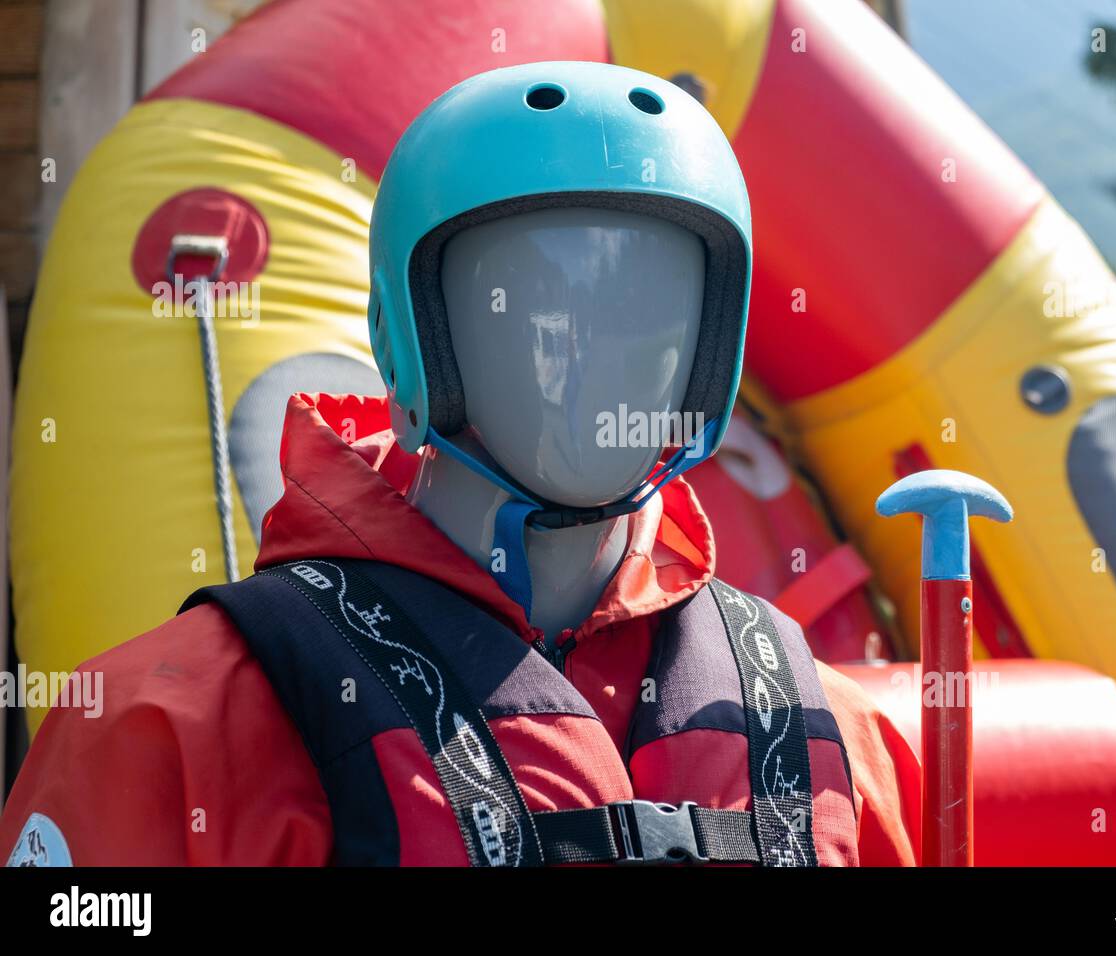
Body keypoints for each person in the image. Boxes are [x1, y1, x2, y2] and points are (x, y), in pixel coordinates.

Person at [1, 62, 918, 867]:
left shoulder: (827, 732)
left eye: (646, 303)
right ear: (409, 342)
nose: (587, 350)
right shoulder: (165, 731)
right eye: (527, 301)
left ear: (709, 353)